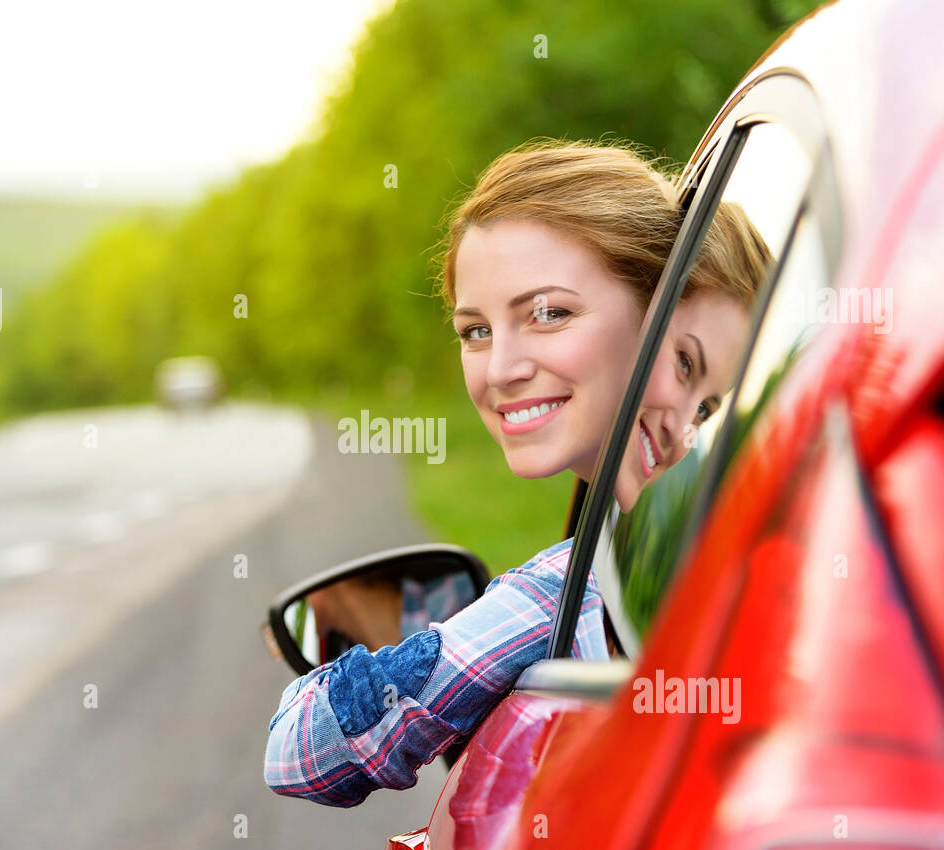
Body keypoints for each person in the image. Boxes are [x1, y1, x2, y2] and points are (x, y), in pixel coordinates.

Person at [265, 139, 770, 807]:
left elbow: (301, 750)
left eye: (549, 313)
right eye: (475, 331)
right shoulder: (761, 495)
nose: (500, 369)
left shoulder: (568, 591)